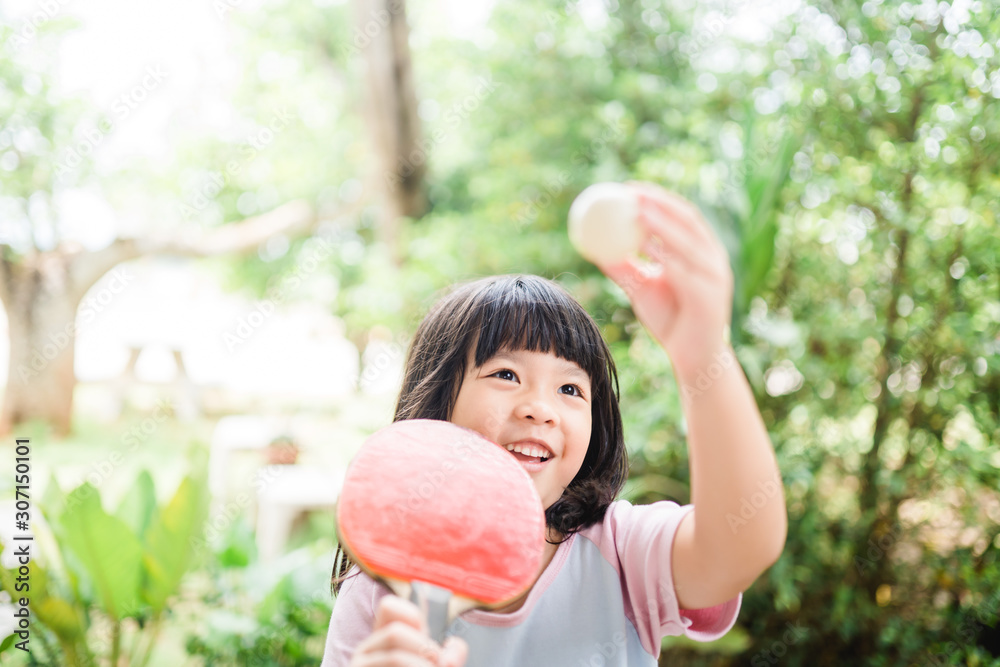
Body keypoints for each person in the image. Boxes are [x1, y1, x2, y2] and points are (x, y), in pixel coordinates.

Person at [320, 182, 788, 666]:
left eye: (570, 389)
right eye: (506, 374)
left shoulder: (622, 552)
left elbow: (740, 544)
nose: (540, 408)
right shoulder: (379, 590)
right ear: (438, 403)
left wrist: (702, 357)